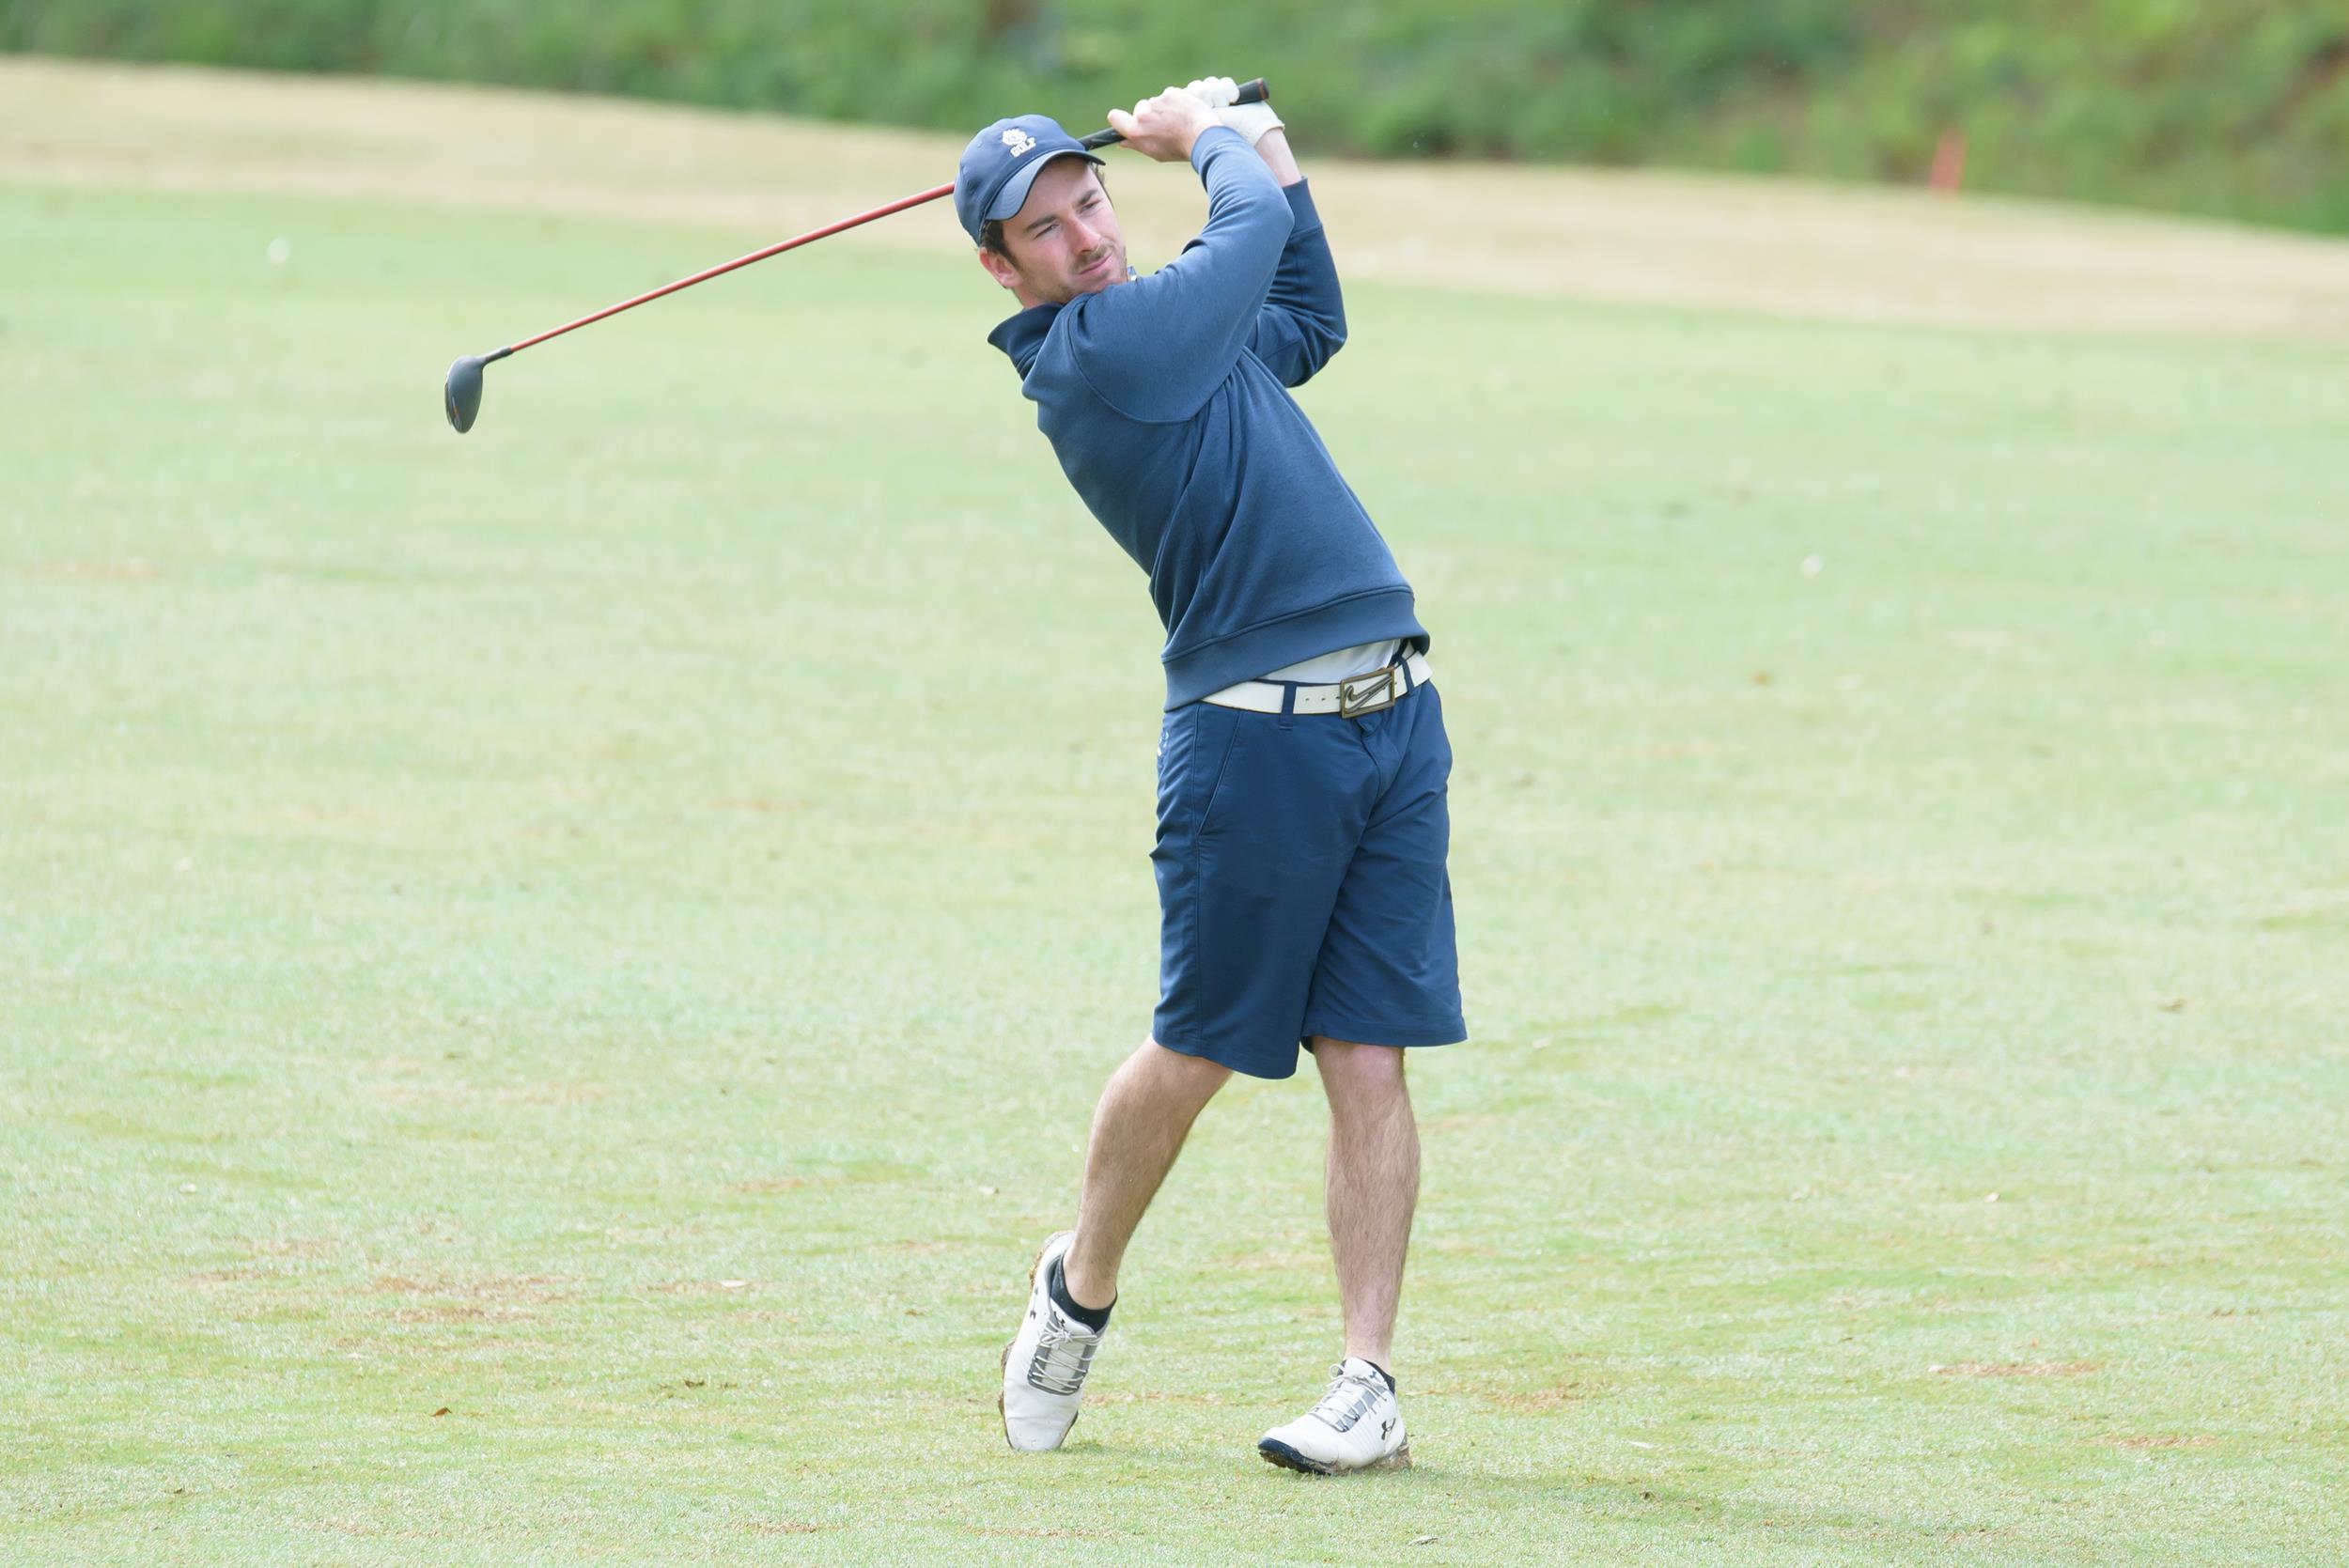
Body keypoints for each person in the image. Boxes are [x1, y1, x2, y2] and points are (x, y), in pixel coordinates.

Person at [955, 79, 1463, 1475]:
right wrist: (1213, 141)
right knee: (1198, 1049)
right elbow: (1237, 246)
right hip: (1255, 744)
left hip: (1388, 716)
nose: (1086, 238)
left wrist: (1266, 130)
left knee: (1369, 1050)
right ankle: (1079, 1287)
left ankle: (1368, 1381)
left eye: (1091, 201)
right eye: (1046, 232)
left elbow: (1304, 310)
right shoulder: (1101, 352)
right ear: (1003, 271)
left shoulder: (1182, 329)